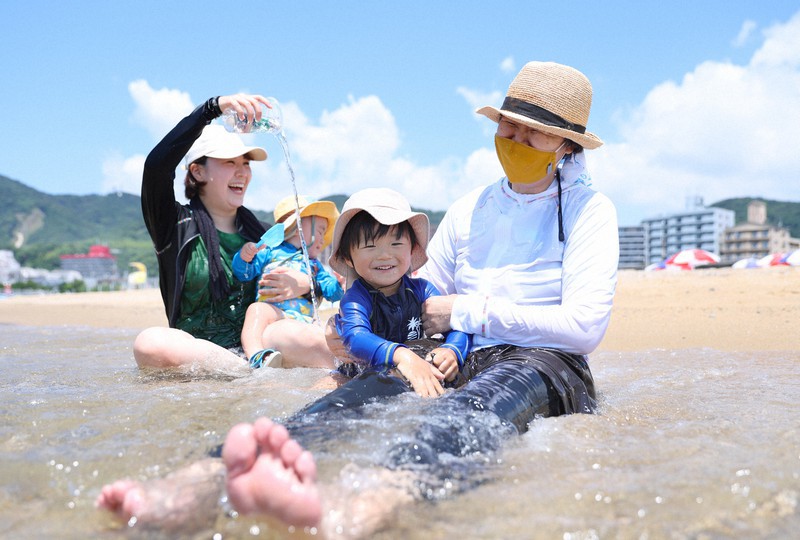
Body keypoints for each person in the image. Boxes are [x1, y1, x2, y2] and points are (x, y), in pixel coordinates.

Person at [97, 61, 618, 535]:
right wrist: (346, 334)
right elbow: (414, 290)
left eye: (535, 132)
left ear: (566, 146)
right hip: (451, 351)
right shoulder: (471, 208)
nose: (517, 138)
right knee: (334, 407)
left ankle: (349, 513)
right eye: (510, 125)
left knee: (461, 418)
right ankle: (198, 485)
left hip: (541, 359)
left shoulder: (589, 212)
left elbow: (584, 327)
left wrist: (465, 311)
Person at [133, 93, 335, 372]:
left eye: (246, 164)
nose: (242, 173)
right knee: (150, 342)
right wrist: (210, 109)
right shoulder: (175, 226)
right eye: (230, 162)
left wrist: (303, 281)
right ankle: (239, 369)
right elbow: (156, 168)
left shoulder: (265, 234)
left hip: (262, 343)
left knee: (316, 341)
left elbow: (311, 275)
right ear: (198, 172)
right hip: (198, 353)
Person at [328, 188, 471, 396]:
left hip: (414, 365)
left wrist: (452, 350)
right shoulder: (356, 298)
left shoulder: (422, 290)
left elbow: (456, 322)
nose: (385, 255)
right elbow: (356, 338)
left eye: (396, 244)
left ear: (412, 249)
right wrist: (403, 356)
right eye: (370, 246)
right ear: (348, 257)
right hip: (365, 376)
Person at [233, 195, 344, 368]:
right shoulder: (269, 252)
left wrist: (339, 284)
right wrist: (244, 257)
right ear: (297, 225)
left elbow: (331, 292)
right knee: (256, 310)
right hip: (274, 314)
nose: (323, 240)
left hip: (305, 320)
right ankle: (256, 355)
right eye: (321, 231)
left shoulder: (314, 266)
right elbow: (244, 273)